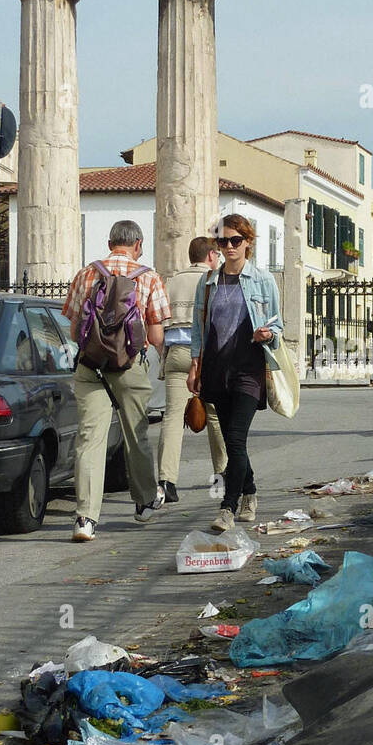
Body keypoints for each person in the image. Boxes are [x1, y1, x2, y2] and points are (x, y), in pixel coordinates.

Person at [62, 219, 170, 542]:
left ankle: (85, 518)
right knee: (136, 433)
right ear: (138, 245)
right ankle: (144, 502)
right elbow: (155, 333)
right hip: (129, 367)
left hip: (91, 367)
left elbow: (73, 330)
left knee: (89, 439)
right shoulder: (148, 277)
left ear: (110, 243)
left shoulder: (87, 273)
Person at [186, 214, 283, 532]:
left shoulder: (263, 280)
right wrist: (195, 364)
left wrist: (268, 334)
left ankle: (227, 507)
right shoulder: (208, 281)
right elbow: (199, 328)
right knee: (231, 441)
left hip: (249, 369)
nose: (228, 246)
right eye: (222, 241)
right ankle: (250, 492)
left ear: (248, 243)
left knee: (237, 438)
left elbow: (277, 324)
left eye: (235, 241)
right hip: (216, 369)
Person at [158, 236, 227, 502]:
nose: (219, 258)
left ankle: (167, 481)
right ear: (210, 255)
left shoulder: (171, 282)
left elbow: (159, 322)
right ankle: (222, 476)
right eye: (217, 254)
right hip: (208, 355)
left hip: (177, 352)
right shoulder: (214, 279)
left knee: (173, 418)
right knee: (214, 416)